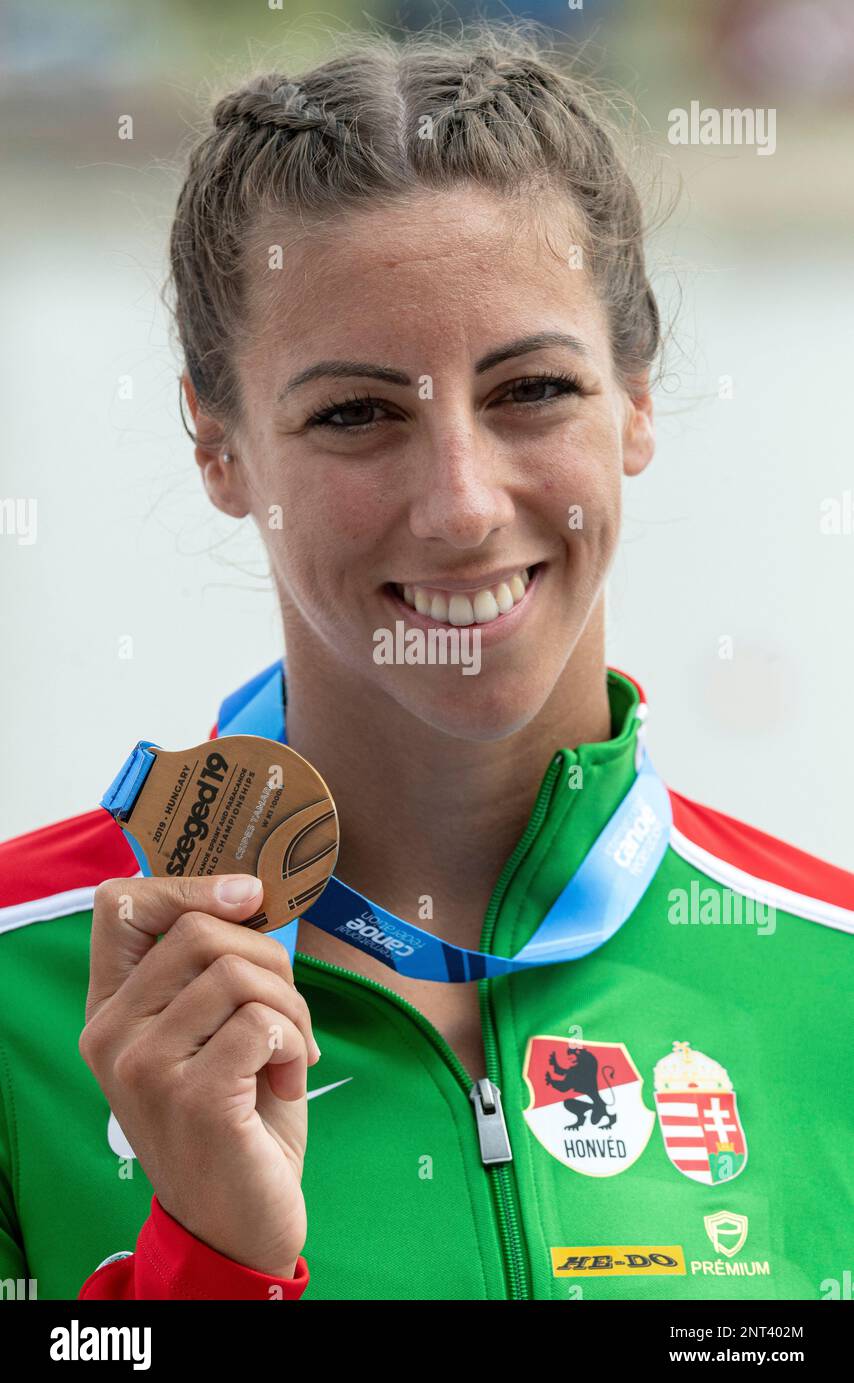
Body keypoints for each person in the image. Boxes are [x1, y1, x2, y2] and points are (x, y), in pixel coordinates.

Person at [1, 22, 851, 1303]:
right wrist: (210, 1260)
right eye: (355, 414)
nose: (459, 505)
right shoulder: (20, 996)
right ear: (216, 444)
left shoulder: (824, 977)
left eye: (530, 392)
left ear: (634, 396)